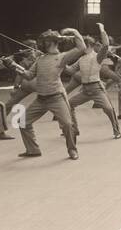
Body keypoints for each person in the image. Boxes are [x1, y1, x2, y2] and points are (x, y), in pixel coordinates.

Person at [18, 29, 85, 160]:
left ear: (53, 42)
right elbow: (29, 75)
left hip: (56, 97)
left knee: (67, 124)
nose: (42, 43)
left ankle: (72, 150)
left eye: (45, 41)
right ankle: (33, 150)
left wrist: (74, 31)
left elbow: (81, 47)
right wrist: (15, 66)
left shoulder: (61, 57)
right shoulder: (40, 59)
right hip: (41, 99)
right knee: (22, 121)